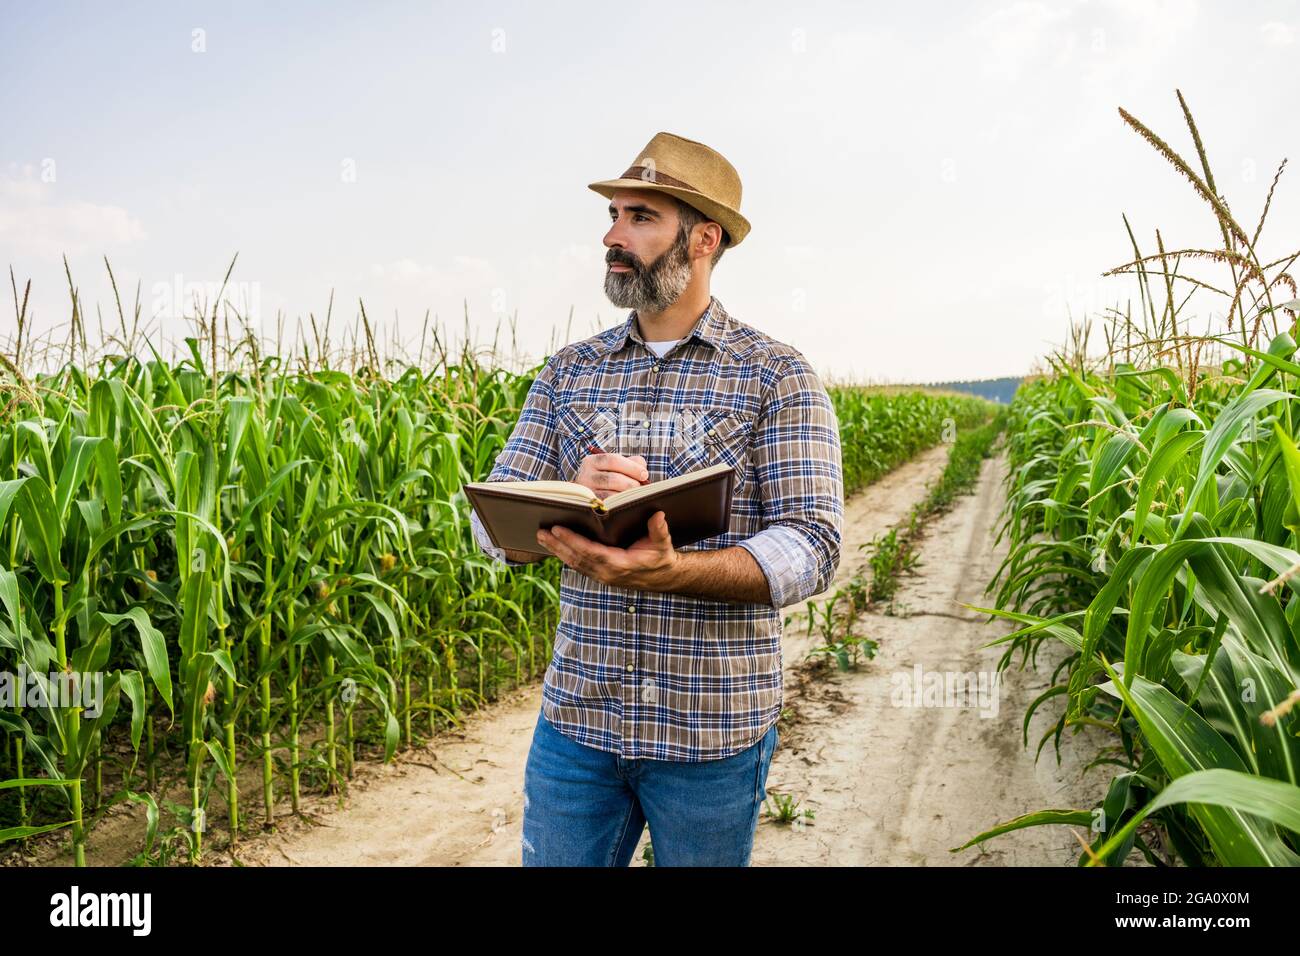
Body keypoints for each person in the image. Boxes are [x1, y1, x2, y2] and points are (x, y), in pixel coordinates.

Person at [469, 131, 844, 866]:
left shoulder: (777, 375)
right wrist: (570, 496)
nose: (613, 237)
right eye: (613, 216)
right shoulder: (567, 374)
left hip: (710, 735)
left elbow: (812, 543)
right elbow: (492, 527)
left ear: (703, 238)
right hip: (578, 725)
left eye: (640, 217)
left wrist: (677, 573)